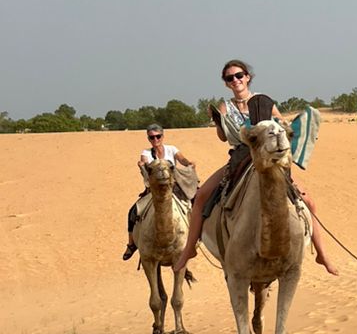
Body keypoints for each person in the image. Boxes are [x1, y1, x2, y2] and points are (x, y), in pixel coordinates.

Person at [172, 59, 337, 275]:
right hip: (240, 156)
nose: (235, 80)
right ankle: (189, 250)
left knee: (308, 202)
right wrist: (217, 121)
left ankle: (321, 253)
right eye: (230, 78)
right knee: (202, 196)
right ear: (226, 83)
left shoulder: (263, 102)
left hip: (267, 158)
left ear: (247, 77)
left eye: (239, 75)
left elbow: (281, 126)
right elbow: (223, 138)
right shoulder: (225, 106)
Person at [122, 125, 194, 260]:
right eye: (152, 137)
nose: (155, 139)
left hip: (173, 189)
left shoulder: (171, 149)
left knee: (195, 205)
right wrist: (142, 165)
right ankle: (131, 244)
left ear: (162, 136)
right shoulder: (146, 153)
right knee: (133, 212)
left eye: (158, 136)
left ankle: (196, 238)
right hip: (153, 192)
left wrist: (189, 163)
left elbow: (182, 159)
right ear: (148, 138)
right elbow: (144, 162)